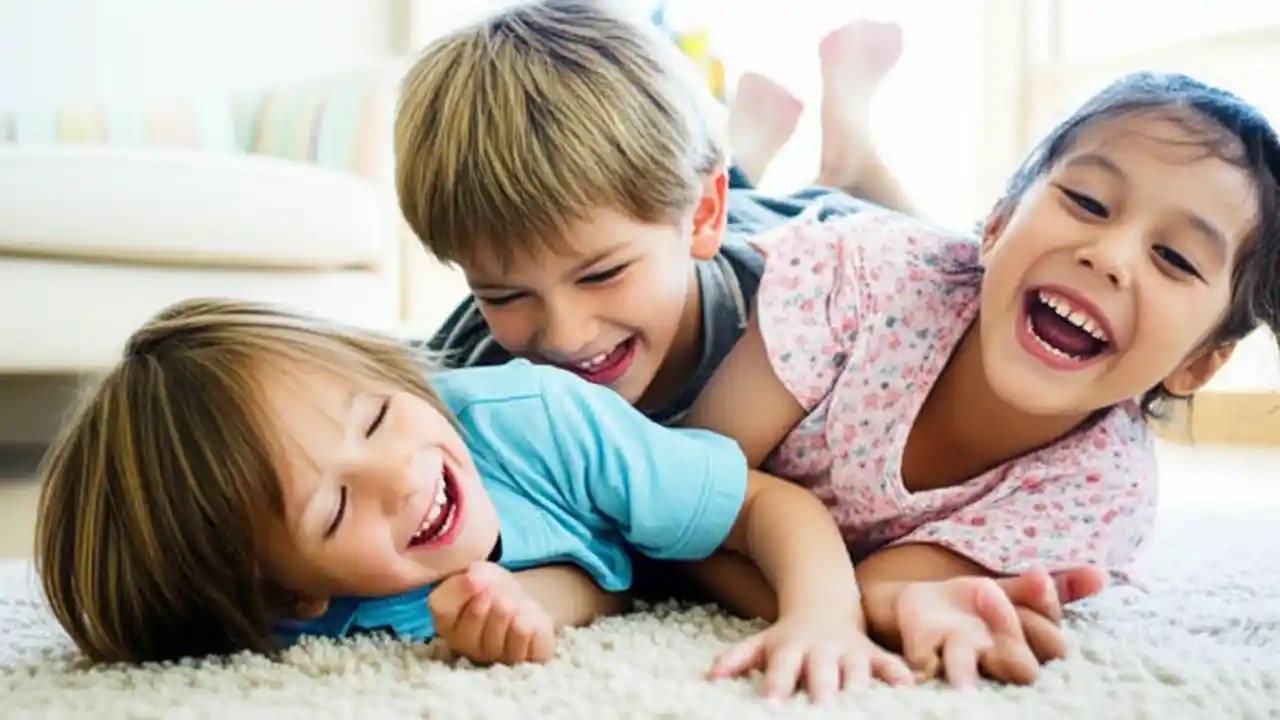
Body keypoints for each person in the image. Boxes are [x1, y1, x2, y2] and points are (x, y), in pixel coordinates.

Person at [392, 0, 1102, 687]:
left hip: (806, 223)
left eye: (603, 274)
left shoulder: (807, 302)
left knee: (932, 259)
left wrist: (842, 605)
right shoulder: (482, 379)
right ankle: (751, 142)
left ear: (701, 216)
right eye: (504, 295)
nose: (564, 334)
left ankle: (848, 143)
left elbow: (944, 302)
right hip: (703, 221)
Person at [678, 70, 1280, 688]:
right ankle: (761, 148)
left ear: (1198, 364)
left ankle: (841, 158)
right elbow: (684, 489)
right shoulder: (861, 277)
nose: (1111, 256)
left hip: (941, 273)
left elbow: (878, 586)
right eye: (1088, 202)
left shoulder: (1101, 490)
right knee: (689, 219)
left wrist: (895, 604)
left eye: (1175, 258)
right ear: (994, 225)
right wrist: (829, 600)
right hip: (760, 264)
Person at [34, 298, 914, 701]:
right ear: (293, 595)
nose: (398, 476)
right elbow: (610, 581)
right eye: (334, 509)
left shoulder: (545, 418)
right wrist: (525, 610)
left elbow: (769, 508)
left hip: (709, 317)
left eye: (376, 417)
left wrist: (826, 616)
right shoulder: (314, 616)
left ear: (387, 380)